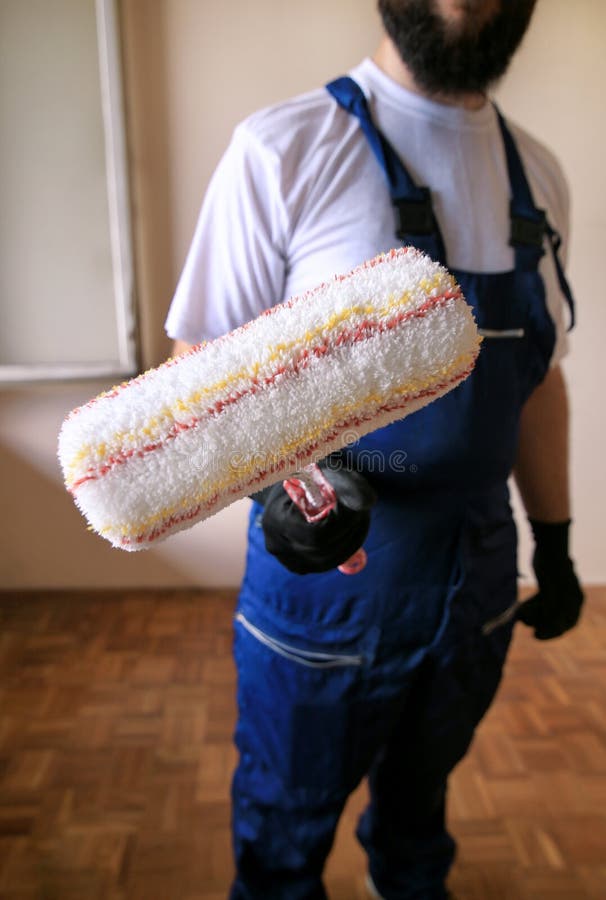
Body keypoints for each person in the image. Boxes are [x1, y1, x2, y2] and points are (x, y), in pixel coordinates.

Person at [165, 1, 584, 897]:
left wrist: (553, 538)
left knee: (419, 809)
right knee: (283, 835)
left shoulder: (539, 177)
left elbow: (538, 381)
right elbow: (198, 380)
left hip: (477, 573)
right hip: (329, 584)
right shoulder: (287, 149)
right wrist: (281, 495)